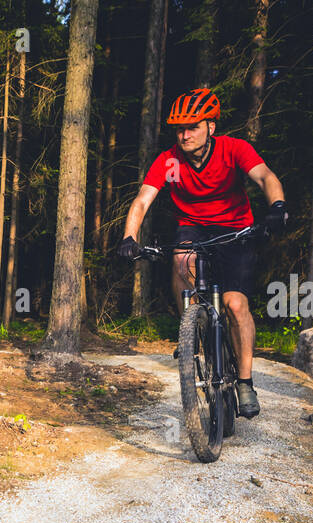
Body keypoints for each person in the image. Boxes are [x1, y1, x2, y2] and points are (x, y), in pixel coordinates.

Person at [118, 88, 287, 418]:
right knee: (182, 259)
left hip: (236, 229)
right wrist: (129, 236)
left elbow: (265, 176)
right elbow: (142, 199)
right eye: (179, 128)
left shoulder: (233, 150)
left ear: (211, 126)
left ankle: (245, 382)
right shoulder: (170, 162)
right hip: (192, 227)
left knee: (235, 305)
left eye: (192, 126)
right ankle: (191, 327)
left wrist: (277, 206)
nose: (184, 134)